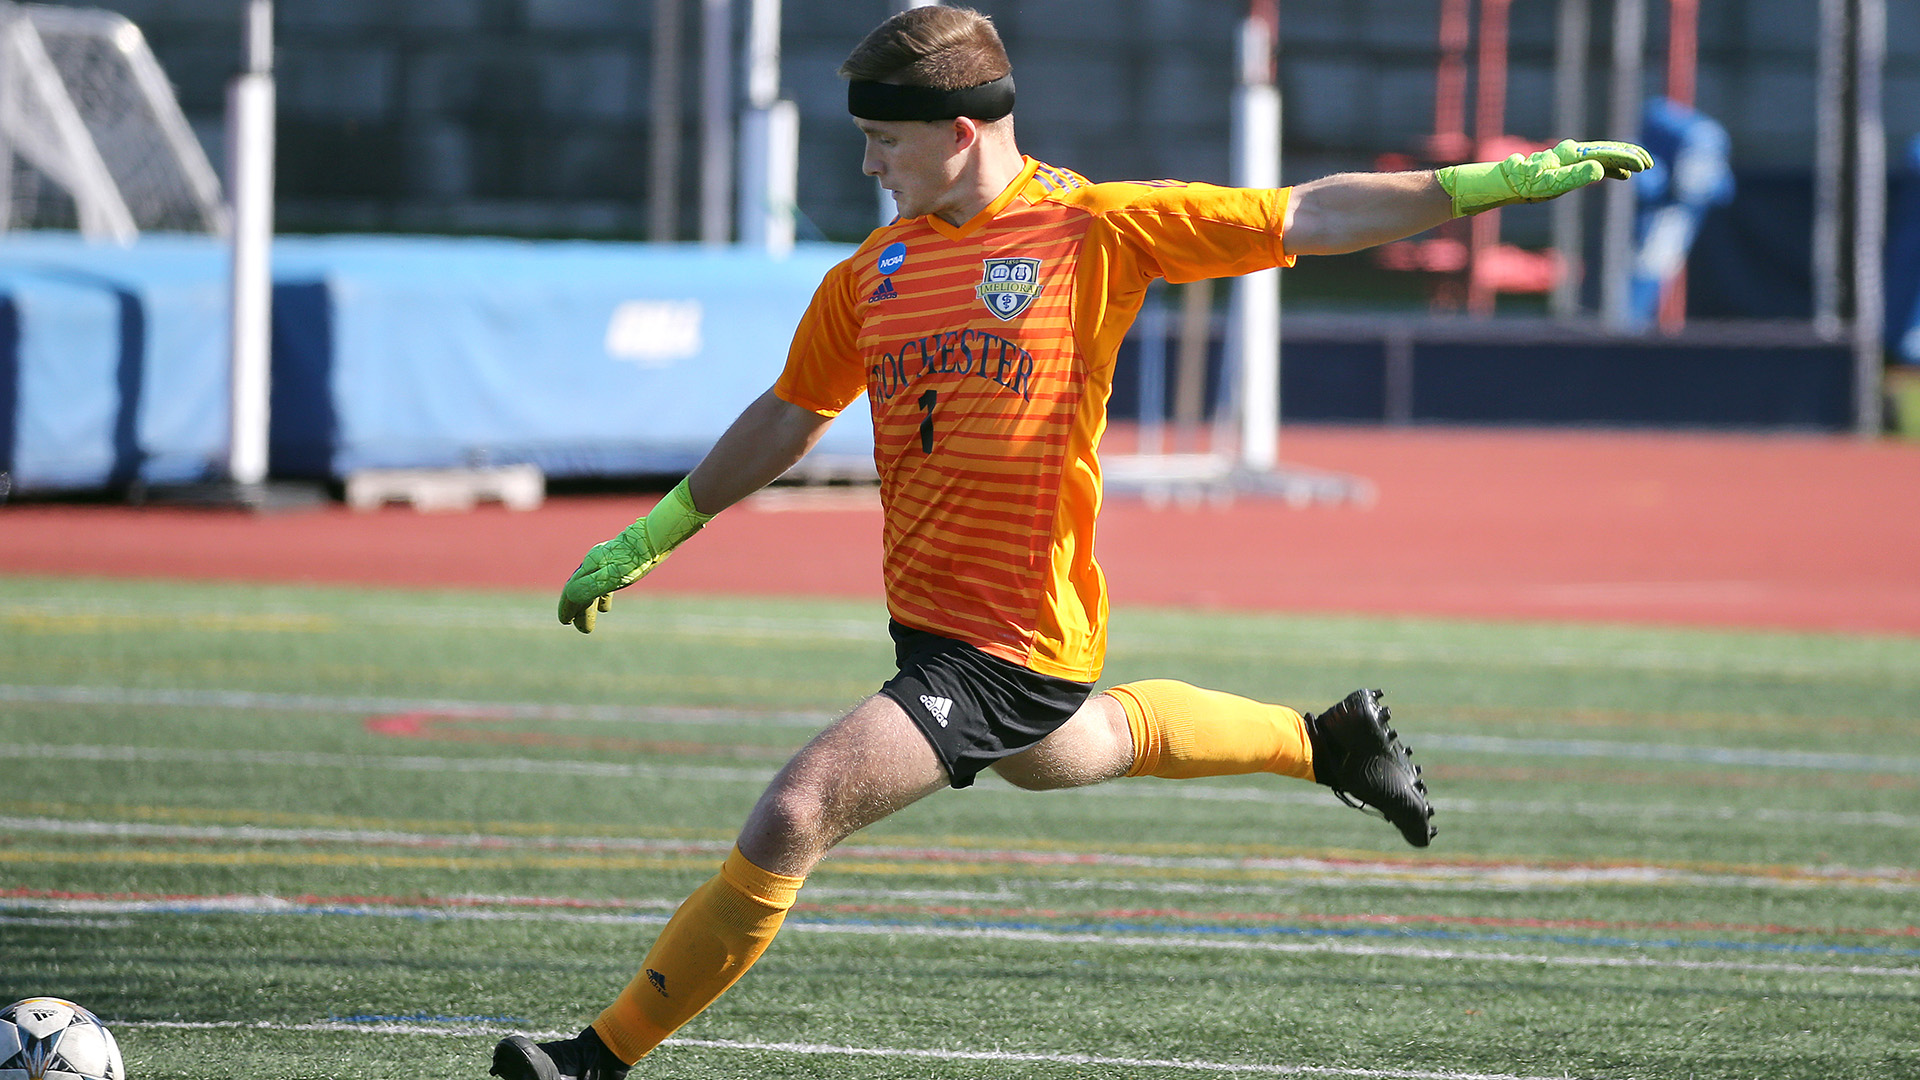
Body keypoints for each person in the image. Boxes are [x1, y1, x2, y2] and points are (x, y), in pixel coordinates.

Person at [489, 8, 1651, 1079]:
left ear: (960, 132)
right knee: (1071, 749)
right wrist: (658, 529)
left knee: (797, 811)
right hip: (934, 623)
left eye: (884, 143)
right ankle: (1327, 742)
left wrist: (1484, 185)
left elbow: (1306, 213)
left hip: (1009, 637)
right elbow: (793, 414)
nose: (867, 166)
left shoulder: (1093, 227)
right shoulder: (872, 272)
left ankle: (597, 1058)